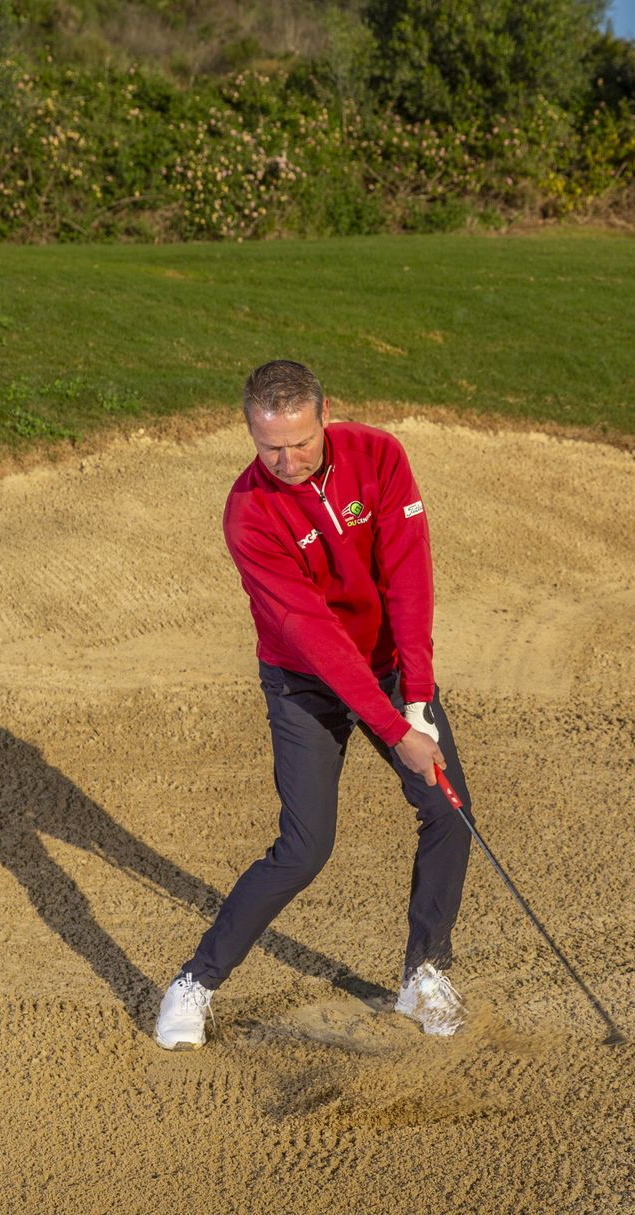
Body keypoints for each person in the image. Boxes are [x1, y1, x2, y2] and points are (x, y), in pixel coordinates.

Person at [153, 360, 476, 1049]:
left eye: (300, 443)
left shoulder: (378, 456)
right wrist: (395, 730)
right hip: (303, 683)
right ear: (250, 431)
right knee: (304, 849)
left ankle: (424, 973)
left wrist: (417, 699)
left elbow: (409, 576)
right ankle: (195, 982)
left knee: (449, 812)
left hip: (390, 668)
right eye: (270, 447)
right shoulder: (250, 514)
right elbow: (318, 639)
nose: (288, 462)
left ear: (326, 415)